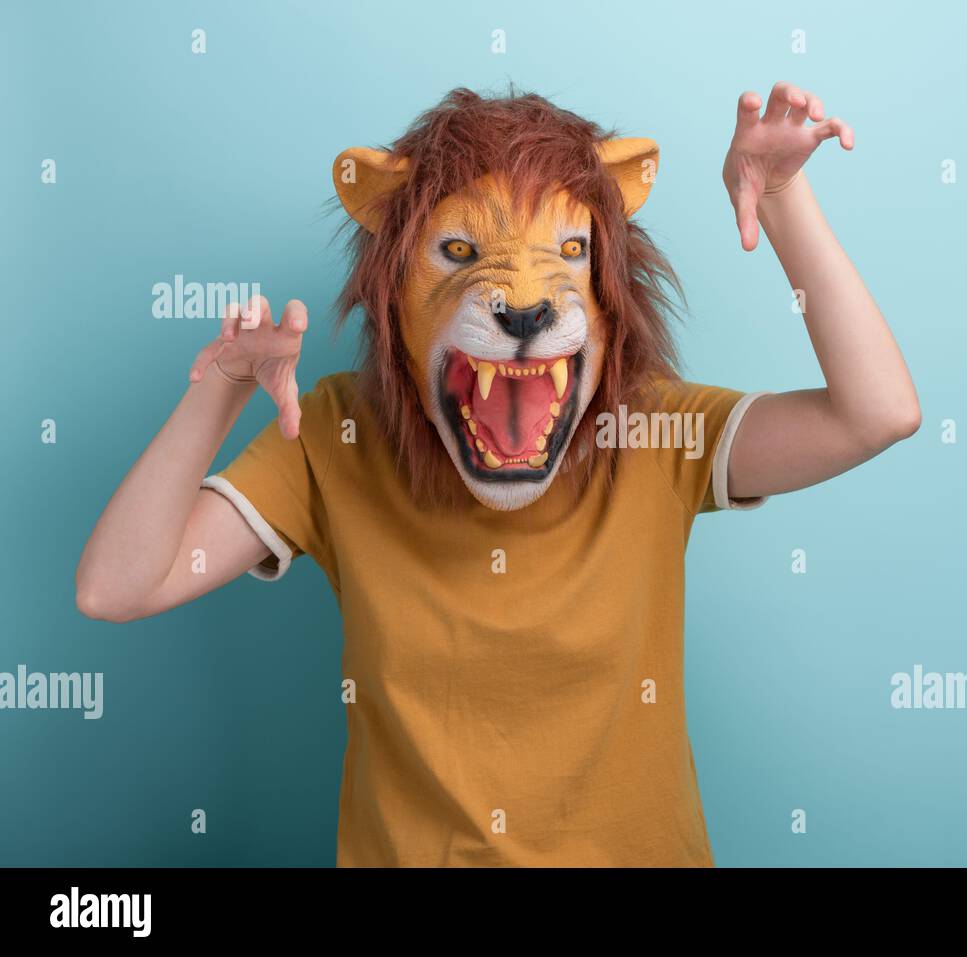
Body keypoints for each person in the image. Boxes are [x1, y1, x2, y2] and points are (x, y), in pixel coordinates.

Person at [76, 83, 921, 866]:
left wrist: (781, 198)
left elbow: (876, 412)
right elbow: (115, 586)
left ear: (607, 292)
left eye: (568, 250)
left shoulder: (653, 429)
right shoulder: (336, 434)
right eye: (458, 250)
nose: (523, 299)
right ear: (395, 293)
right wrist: (221, 388)